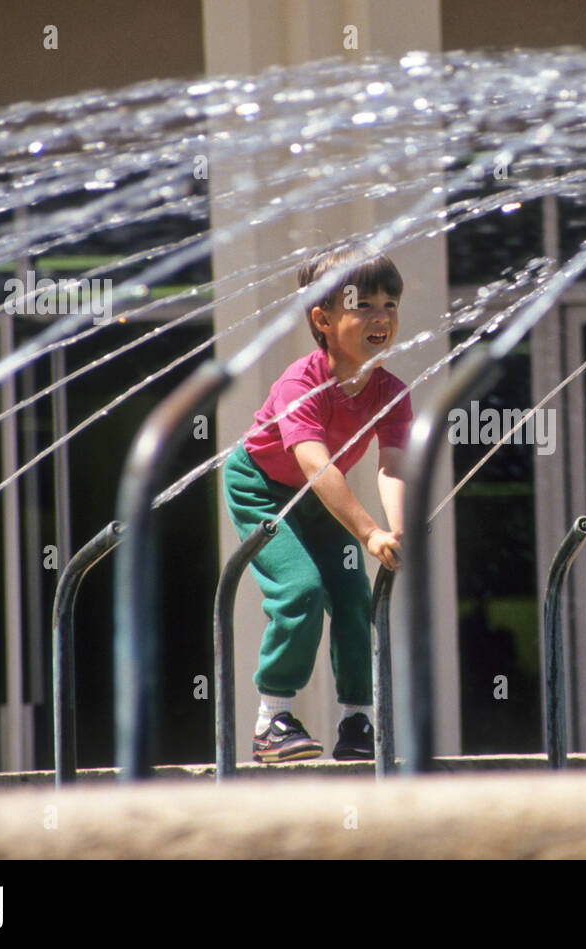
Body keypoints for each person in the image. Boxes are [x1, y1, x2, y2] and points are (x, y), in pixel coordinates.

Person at [222, 245, 409, 762]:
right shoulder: (300, 385)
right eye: (363, 305)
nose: (381, 317)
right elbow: (317, 466)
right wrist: (368, 532)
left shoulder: (391, 390)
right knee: (301, 590)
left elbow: (392, 464)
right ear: (322, 319)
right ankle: (271, 720)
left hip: (319, 499)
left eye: (390, 305)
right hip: (261, 488)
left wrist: (398, 527)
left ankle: (358, 722)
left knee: (352, 595)